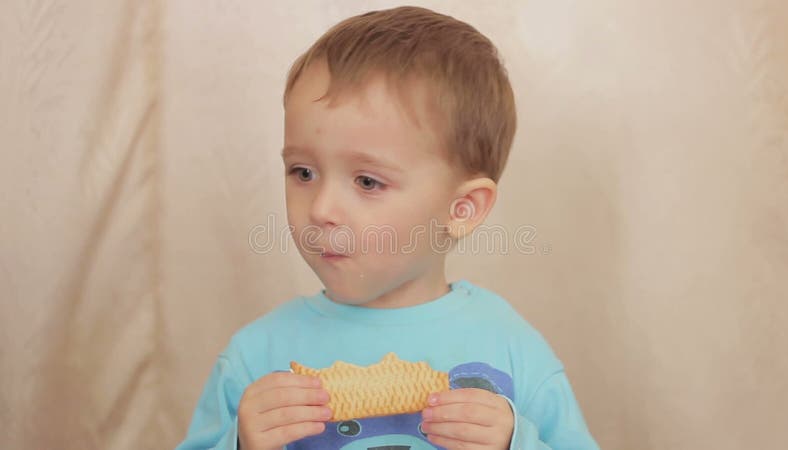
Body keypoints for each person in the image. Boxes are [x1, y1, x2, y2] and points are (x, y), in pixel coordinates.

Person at [176, 6, 599, 450]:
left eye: (367, 181)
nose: (320, 209)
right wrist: (240, 443)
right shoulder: (254, 359)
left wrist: (519, 443)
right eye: (303, 173)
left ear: (462, 209)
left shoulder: (513, 350)